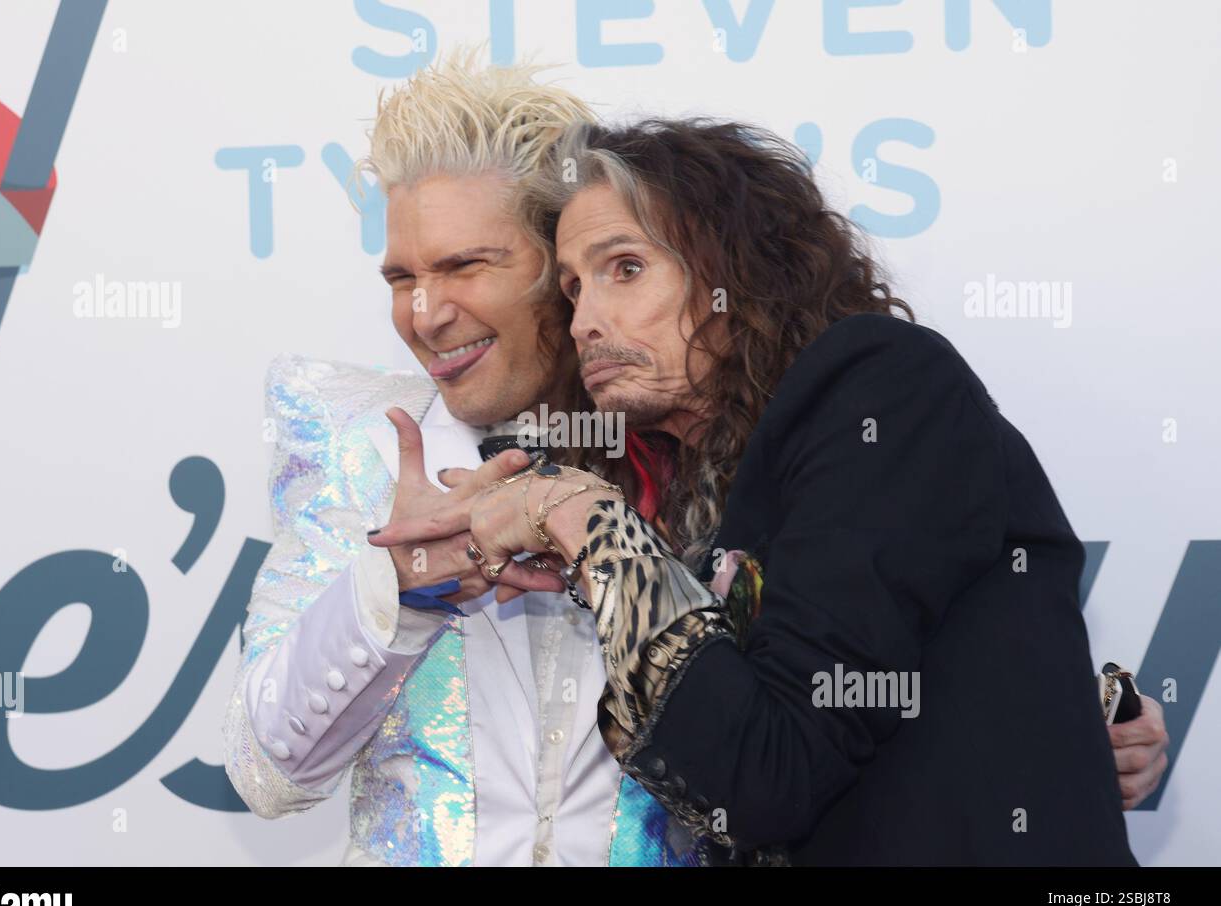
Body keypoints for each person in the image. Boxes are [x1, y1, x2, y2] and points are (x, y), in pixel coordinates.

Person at [369, 118, 1169, 864]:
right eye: (576, 289)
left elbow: (767, 774)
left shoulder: (879, 383)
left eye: (627, 268)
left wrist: (579, 515)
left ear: (742, 271)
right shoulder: (696, 488)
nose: (584, 321)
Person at [222, 56, 703, 866]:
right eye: (401, 276)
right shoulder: (354, 444)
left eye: (465, 266)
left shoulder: (691, 442)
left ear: (565, 270)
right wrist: (397, 594)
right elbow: (266, 774)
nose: (424, 314)